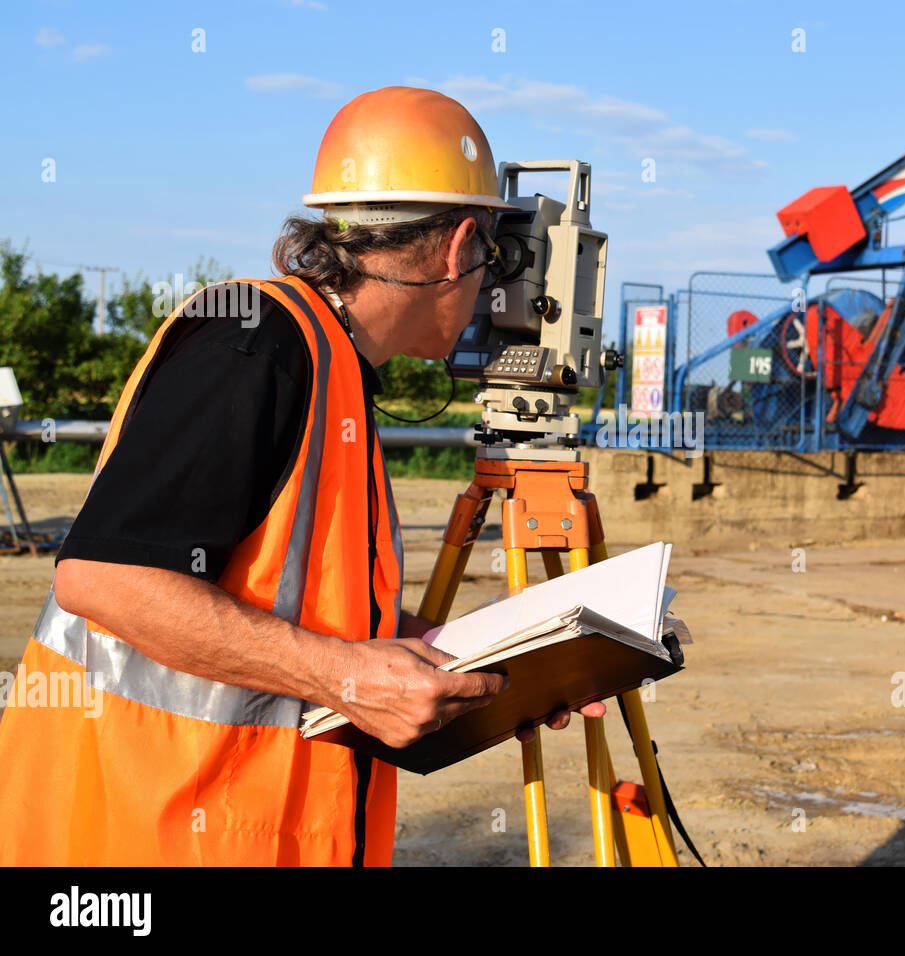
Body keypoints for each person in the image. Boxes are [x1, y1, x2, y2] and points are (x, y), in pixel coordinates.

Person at [0, 86, 600, 866]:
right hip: (141, 832)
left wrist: (481, 665)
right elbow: (103, 578)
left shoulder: (333, 369)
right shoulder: (254, 344)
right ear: (458, 247)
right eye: (492, 253)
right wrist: (348, 675)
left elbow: (300, 607)